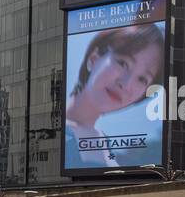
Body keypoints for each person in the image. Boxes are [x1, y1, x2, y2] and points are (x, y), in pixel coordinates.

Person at [65, 23, 166, 170]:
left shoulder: (104, 142)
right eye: (123, 63)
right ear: (94, 59)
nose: (125, 83)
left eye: (142, 79)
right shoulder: (49, 132)